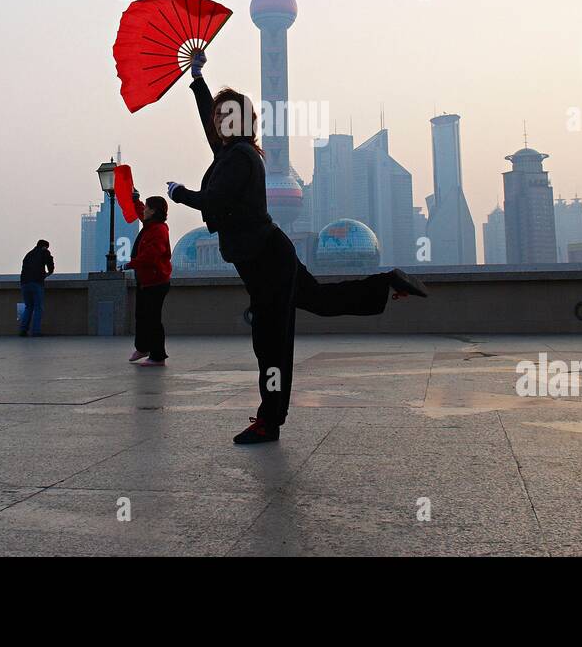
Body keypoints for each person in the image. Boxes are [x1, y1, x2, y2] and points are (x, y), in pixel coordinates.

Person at [168, 50, 427, 445]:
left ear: (240, 121)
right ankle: (386, 282)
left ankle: (269, 421)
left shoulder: (239, 157)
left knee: (270, 341)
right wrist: (199, 79)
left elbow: (215, 201)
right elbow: (208, 124)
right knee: (319, 301)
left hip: (267, 260)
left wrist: (180, 193)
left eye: (225, 116)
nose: (217, 122)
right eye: (217, 117)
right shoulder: (232, 151)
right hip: (268, 256)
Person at [122, 191, 172, 366]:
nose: (145, 210)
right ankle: (143, 348)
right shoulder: (151, 225)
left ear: (154, 211)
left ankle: (158, 356)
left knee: (152, 319)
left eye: (148, 208)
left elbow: (151, 256)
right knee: (142, 316)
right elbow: (140, 211)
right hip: (146, 281)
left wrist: (130, 264)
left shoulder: (158, 230)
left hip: (156, 282)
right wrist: (136, 200)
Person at [18, 239, 54, 336]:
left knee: (28, 307)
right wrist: (49, 272)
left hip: (24, 283)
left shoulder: (28, 254)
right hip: (36, 282)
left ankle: (23, 330)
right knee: (38, 308)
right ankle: (36, 331)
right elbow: (50, 263)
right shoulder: (44, 252)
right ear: (44, 246)